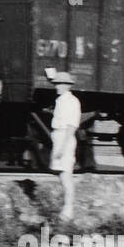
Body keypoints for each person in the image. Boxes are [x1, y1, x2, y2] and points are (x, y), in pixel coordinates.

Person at [49, 72, 82, 220]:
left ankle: (68, 210)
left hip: (65, 138)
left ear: (67, 86)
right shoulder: (61, 100)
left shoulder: (71, 101)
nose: (57, 86)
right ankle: (66, 207)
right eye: (56, 84)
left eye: (60, 84)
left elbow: (71, 126)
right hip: (59, 137)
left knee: (65, 174)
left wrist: (62, 147)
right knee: (60, 174)